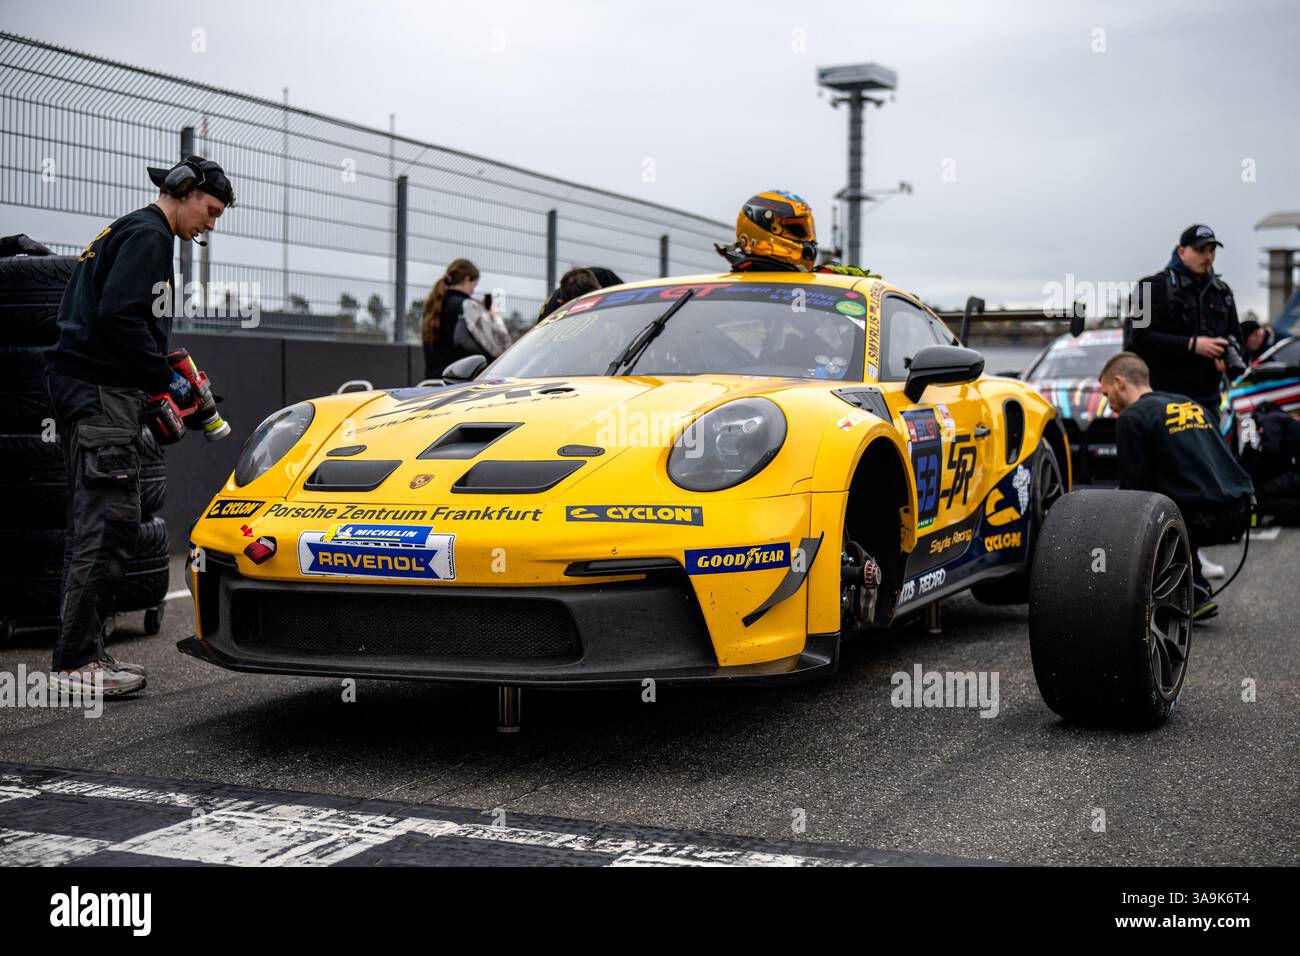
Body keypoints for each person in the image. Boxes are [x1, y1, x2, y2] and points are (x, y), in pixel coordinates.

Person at [43, 155, 235, 696]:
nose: (211, 224)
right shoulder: (150, 236)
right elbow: (120, 318)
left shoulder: (131, 229)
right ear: (185, 189)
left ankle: (79, 660)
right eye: (211, 210)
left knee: (96, 524)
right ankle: (77, 666)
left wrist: (167, 381)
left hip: (90, 387)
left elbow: (121, 324)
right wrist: (165, 381)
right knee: (106, 525)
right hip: (99, 394)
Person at [1099, 352, 1254, 620]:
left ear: (1119, 382)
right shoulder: (1191, 404)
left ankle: (1186, 591)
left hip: (1199, 517)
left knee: (1135, 509)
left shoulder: (1131, 418)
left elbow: (1135, 492)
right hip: (1239, 509)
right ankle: (1194, 587)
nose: (1108, 402)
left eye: (1106, 392)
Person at [1125, 224, 1242, 423]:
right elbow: (1140, 338)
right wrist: (1192, 345)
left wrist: (1228, 356)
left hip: (1209, 402)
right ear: (1181, 251)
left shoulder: (1222, 292)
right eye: (1200, 250)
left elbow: (1237, 337)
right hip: (1163, 401)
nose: (1207, 257)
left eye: (1212, 250)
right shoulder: (1150, 287)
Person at [421, 258, 512, 379]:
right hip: (460, 383)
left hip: (433, 382)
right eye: (474, 286)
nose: (473, 291)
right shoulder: (467, 306)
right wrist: (494, 317)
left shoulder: (432, 305)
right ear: (467, 279)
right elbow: (501, 348)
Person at [1238, 401, 1300, 525]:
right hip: (1295, 474)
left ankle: (1253, 522)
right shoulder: (1285, 422)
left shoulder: (1269, 419)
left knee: (1257, 497)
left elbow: (1271, 450)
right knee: (1268, 495)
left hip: (1296, 475)